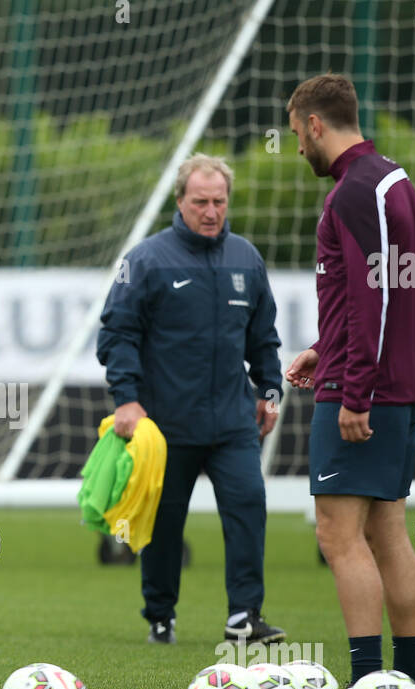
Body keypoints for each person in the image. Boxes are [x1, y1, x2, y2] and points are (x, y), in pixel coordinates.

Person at [97, 153, 287, 646]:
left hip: (233, 422)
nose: (211, 211)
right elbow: (117, 335)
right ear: (180, 201)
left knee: (249, 506)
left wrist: (269, 391)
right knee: (164, 525)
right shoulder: (145, 260)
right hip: (165, 425)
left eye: (219, 201)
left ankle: (244, 616)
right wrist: (126, 399)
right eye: (200, 201)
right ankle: (160, 616)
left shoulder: (247, 258)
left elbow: (263, 338)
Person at [282, 74, 415, 689]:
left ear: (316, 124)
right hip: (386, 381)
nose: (297, 148)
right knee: (387, 532)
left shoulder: (356, 191)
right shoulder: (390, 178)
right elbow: (372, 291)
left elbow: (378, 297)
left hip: (366, 389)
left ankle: (371, 685)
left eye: (297, 134)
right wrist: (326, 345)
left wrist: (355, 391)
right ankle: (406, 683)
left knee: (339, 536)